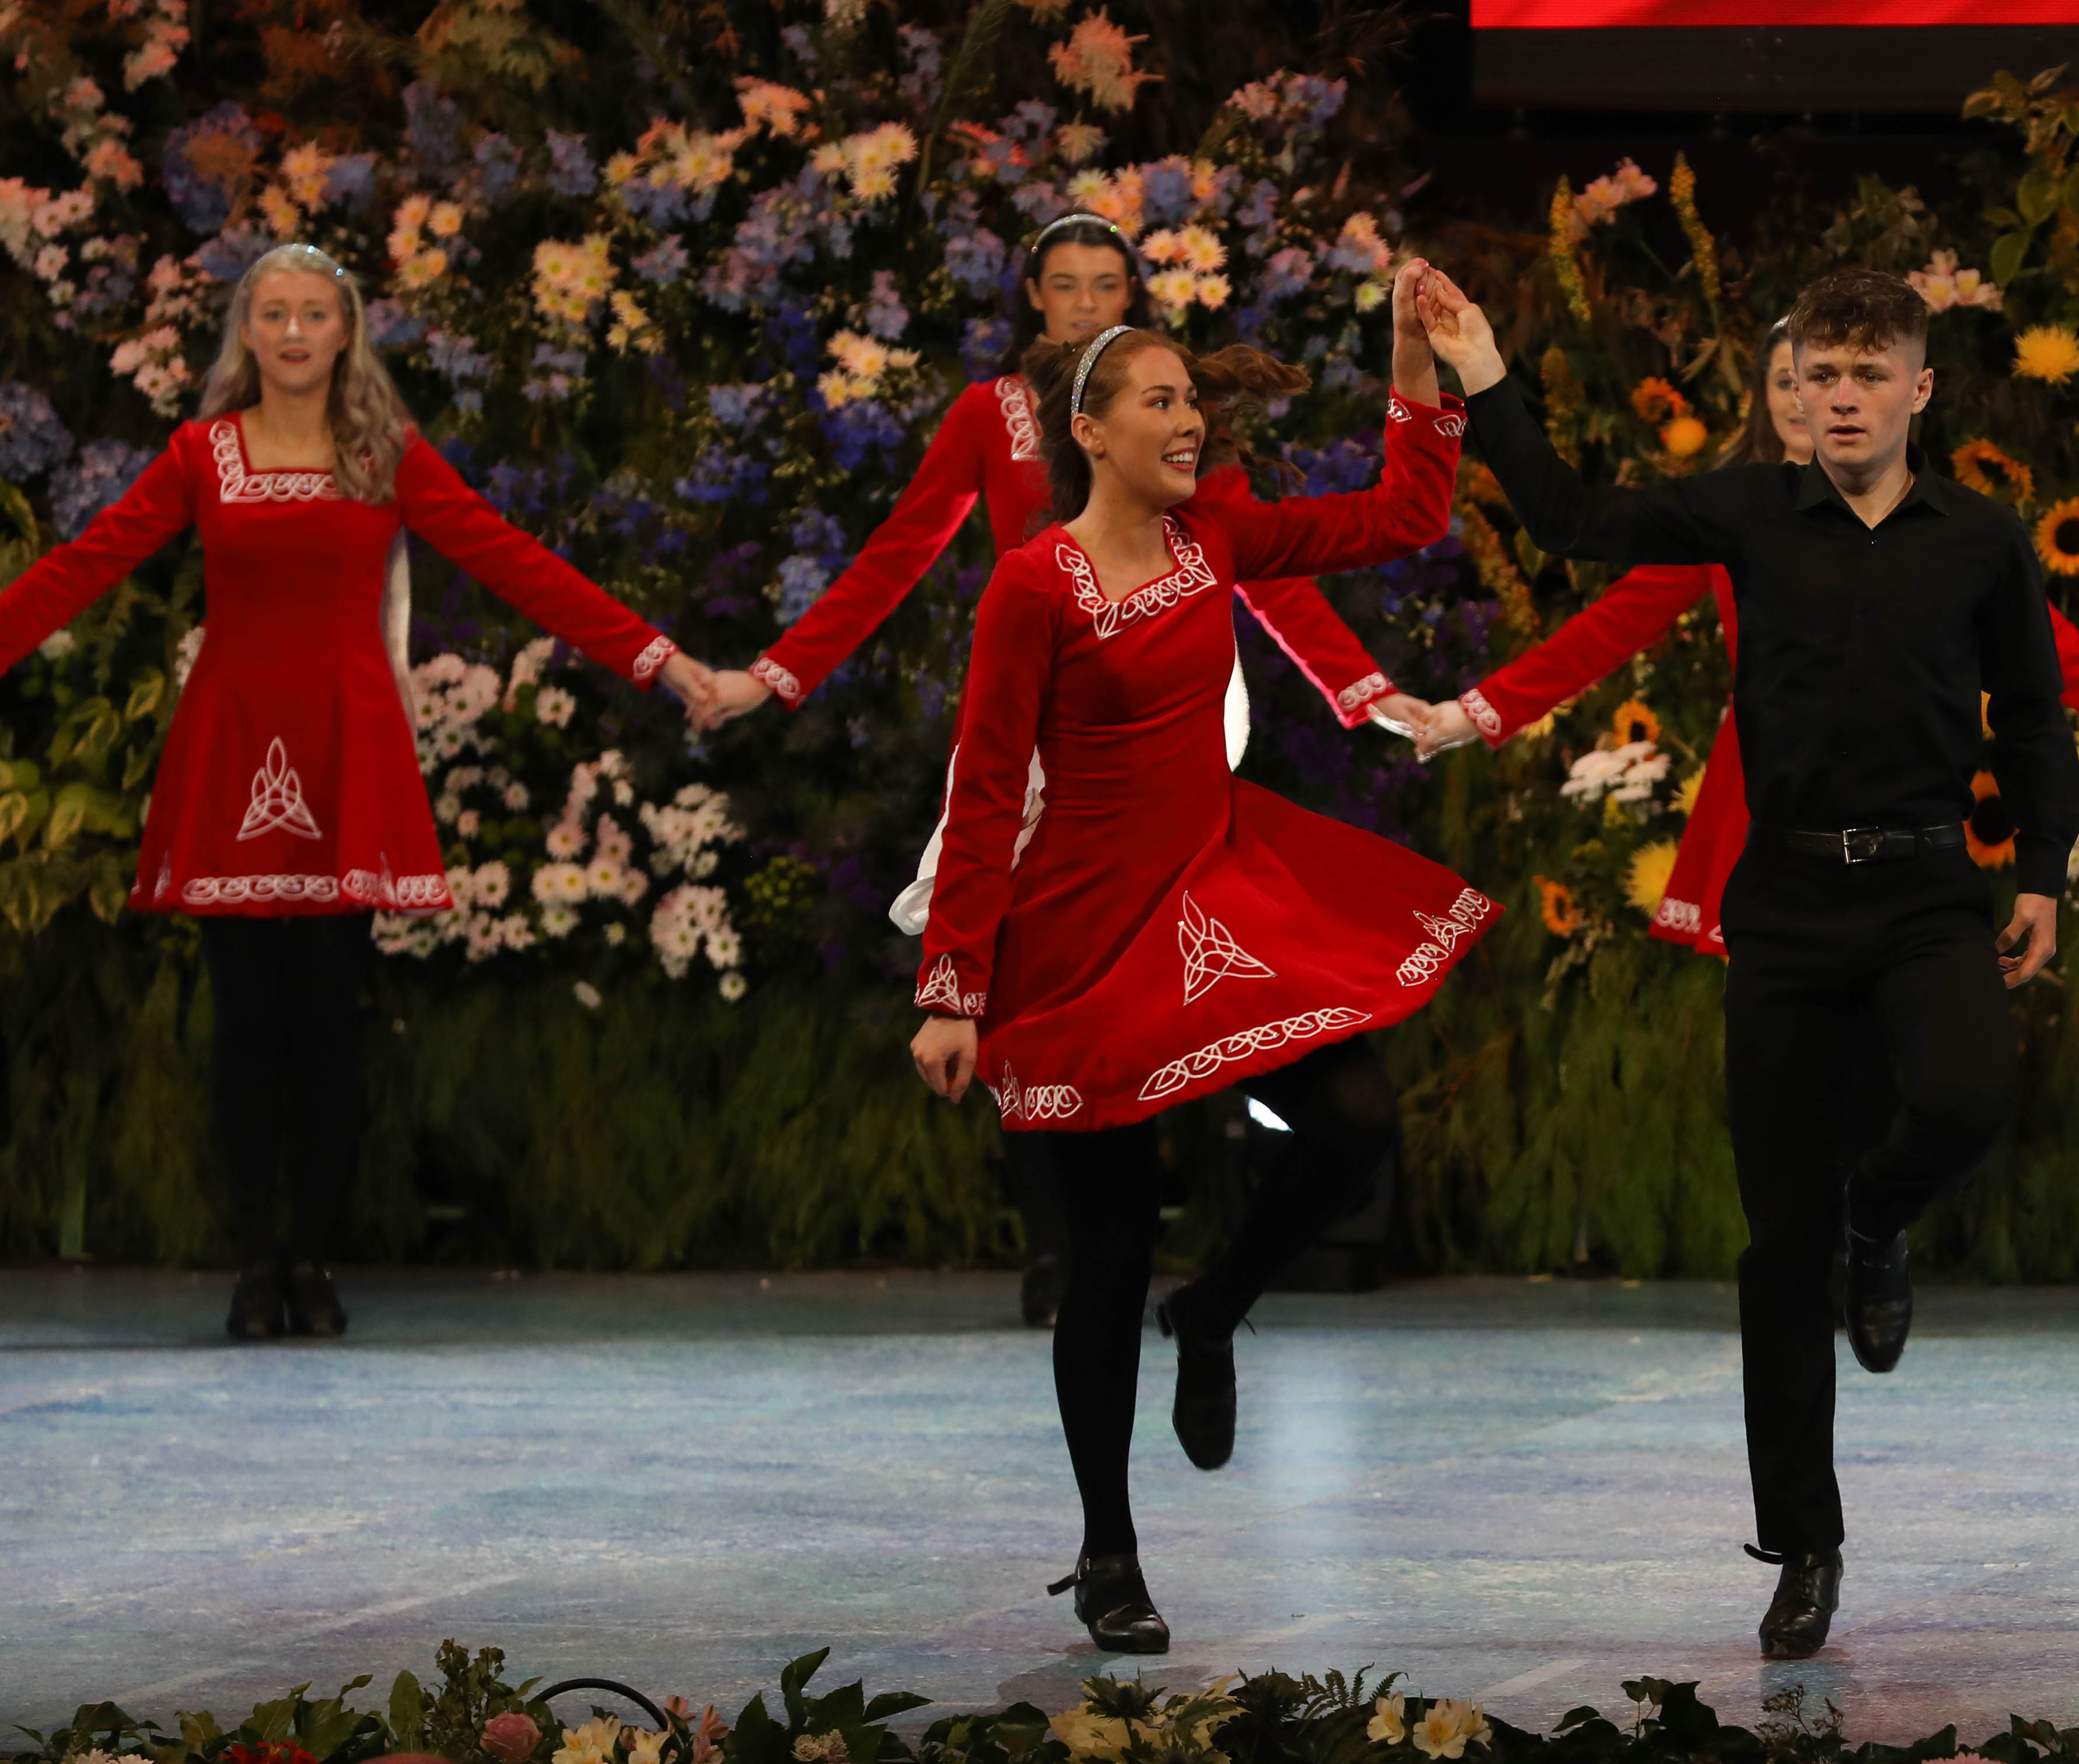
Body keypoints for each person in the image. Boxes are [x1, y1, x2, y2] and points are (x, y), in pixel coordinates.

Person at [1420, 265, 2079, 1661]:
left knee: (1964, 1101)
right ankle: (1805, 1546)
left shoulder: (1980, 537)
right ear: (1798, 392)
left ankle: (1880, 1219)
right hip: (1780, 899)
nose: (1843, 399)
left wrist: (2042, 875)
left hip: (1922, 892)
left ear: (1919, 390)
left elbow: (2031, 714)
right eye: (1821, 377)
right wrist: (1482, 366)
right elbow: (1569, 519)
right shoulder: (1742, 509)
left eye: (1868, 375)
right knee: (1776, 1247)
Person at [904, 261, 1487, 1654]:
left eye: (1191, 403)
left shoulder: (1211, 539)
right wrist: (952, 988)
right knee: (1106, 1248)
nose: (1189, 425)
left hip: (1223, 893)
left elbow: (1404, 514)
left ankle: (1216, 1308)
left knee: (1351, 1121)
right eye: (1158, 403)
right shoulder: (1032, 587)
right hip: (1088, 934)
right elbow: (987, 789)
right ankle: (1110, 1549)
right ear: (1085, 431)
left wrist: (1417, 366)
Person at [683, 213, 1402, 1328]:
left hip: (1171, 722)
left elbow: (1267, 561)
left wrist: (1365, 688)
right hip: (1039, 737)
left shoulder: (1169, 430)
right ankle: (1071, 1251)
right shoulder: (994, 419)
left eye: (1105, 285)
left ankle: (1186, 1264)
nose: (1084, 304)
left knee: (1206, 989)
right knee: (1042, 991)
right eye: (1063, 286)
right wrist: (772, 676)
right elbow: (897, 552)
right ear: (1033, 300)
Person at [0, 243, 709, 1338]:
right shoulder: (202, 454)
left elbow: (518, 562)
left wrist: (661, 661)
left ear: (346, 332)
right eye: (272, 313)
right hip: (236, 751)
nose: (292, 332)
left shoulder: (386, 456)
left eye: (314, 314)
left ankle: (314, 1263)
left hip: (345, 750)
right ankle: (253, 1265)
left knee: (328, 1021)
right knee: (245, 1022)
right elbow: (84, 565)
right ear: (245, 332)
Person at [1417, 316, 2079, 956]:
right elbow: (1609, 627)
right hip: (1774, 782)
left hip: (1900, 788)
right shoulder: (1729, 514)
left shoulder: (1924, 512)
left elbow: (2031, 642)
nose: (1802, 396)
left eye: (1816, 379)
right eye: (1785, 381)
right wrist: (1476, 713)